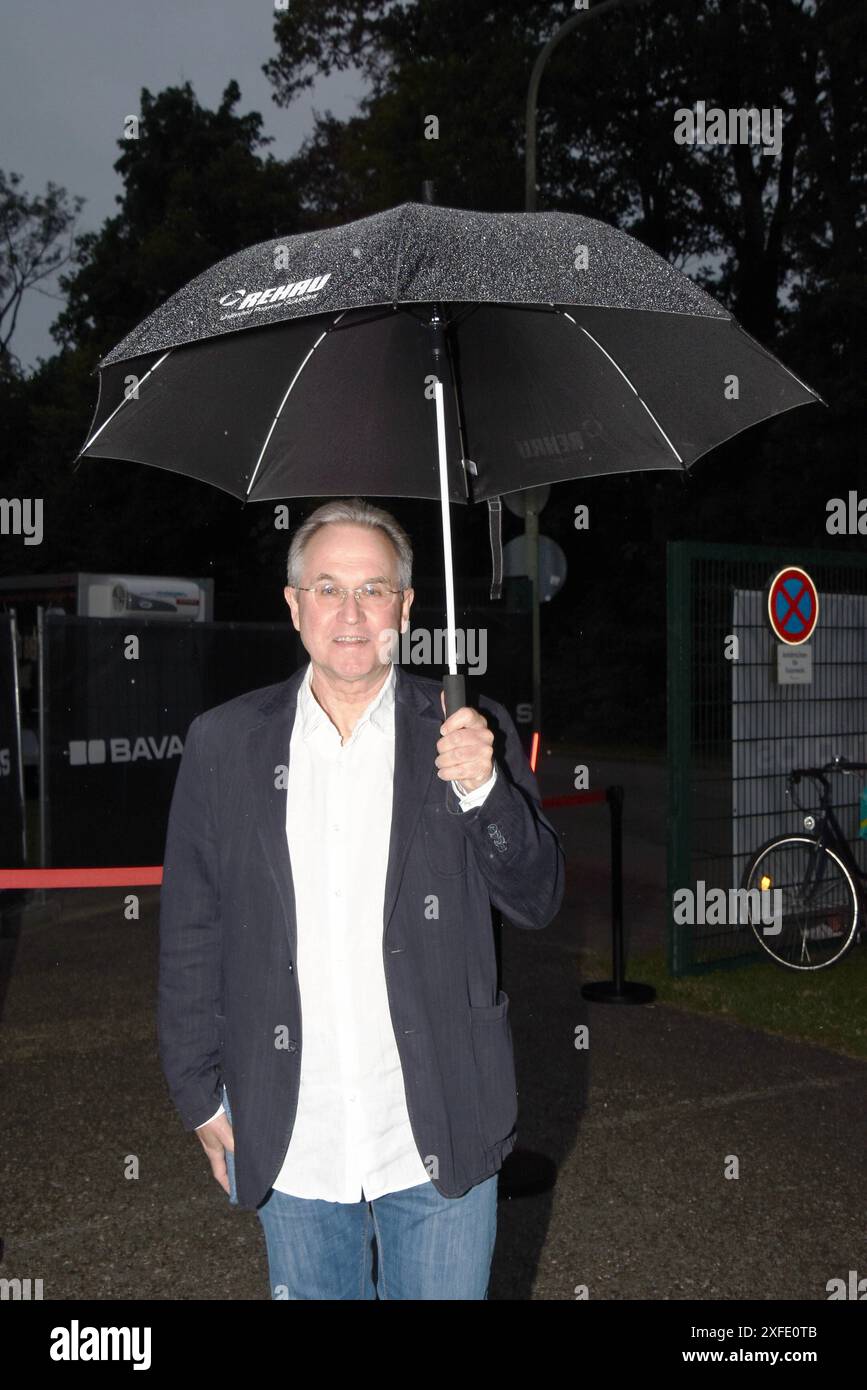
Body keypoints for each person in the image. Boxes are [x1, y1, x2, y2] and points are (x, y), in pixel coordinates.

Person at [157, 497, 565, 1299]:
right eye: (327, 588)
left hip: (440, 1119)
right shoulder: (225, 743)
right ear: (293, 603)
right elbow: (191, 928)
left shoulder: (463, 732)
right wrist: (199, 1093)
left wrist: (485, 790)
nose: (350, 613)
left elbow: (538, 898)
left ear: (406, 608)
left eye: (374, 589)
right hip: (290, 1132)